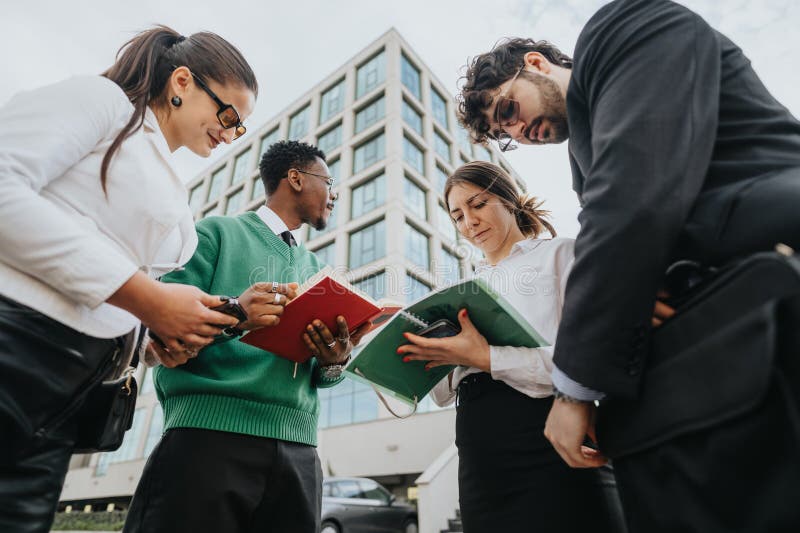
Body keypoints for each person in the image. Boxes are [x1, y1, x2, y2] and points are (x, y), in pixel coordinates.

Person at [456, 1, 800, 531]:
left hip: (777, 272)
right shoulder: (582, 162)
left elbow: (632, 203)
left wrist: (575, 388)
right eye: (507, 133)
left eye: (507, 110)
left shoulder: (624, 28)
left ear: (536, 63)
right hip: (714, 351)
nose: (519, 131)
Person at [0, 26, 259, 532]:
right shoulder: (103, 102)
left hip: (69, 398)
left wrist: (155, 341)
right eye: (229, 115)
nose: (230, 134)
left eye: (239, 128)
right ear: (181, 81)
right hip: (15, 351)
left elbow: (109, 284)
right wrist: (150, 299)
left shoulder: (172, 183)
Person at [123, 140, 371, 533]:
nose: (334, 195)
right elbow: (156, 339)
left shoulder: (321, 272)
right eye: (329, 182)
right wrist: (236, 315)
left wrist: (334, 359)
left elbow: (324, 377)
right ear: (295, 178)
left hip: (300, 454)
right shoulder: (213, 235)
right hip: (206, 440)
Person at [399, 161, 625, 533]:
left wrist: (486, 357)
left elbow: (591, 357)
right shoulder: (463, 290)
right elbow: (442, 393)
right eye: (457, 215)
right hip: (479, 447)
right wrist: (416, 353)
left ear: (508, 199)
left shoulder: (560, 256)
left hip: (552, 431)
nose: (469, 222)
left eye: (478, 204)